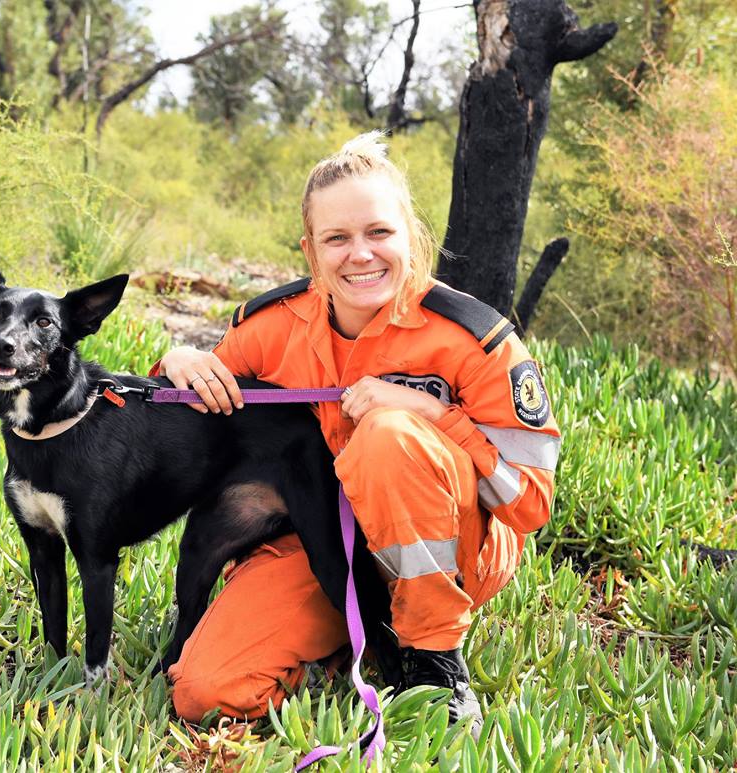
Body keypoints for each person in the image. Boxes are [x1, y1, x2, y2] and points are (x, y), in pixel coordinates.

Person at [153, 132, 560, 735]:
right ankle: (346, 639)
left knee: (387, 436)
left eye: (378, 233)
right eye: (337, 238)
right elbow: (193, 417)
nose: (360, 255)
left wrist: (432, 416)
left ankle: (432, 663)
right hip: (319, 550)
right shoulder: (271, 326)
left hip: (456, 550)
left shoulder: (474, 338)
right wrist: (177, 365)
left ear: (411, 235)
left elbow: (529, 506)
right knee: (205, 694)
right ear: (311, 252)